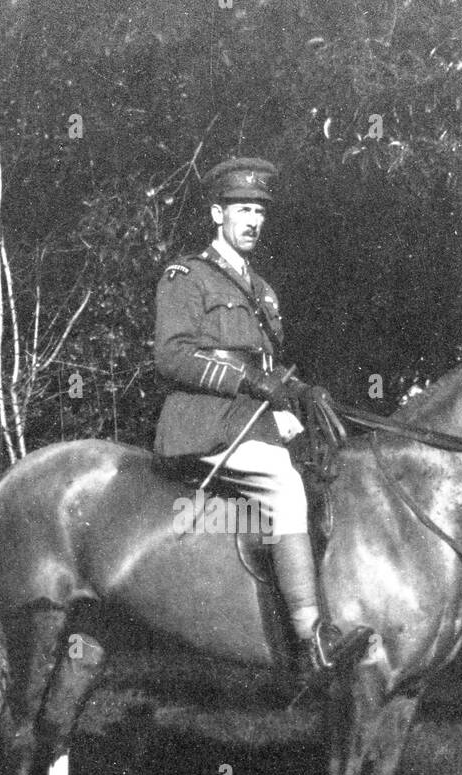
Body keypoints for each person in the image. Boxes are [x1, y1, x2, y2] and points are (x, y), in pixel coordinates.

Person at [152, 157, 368, 672]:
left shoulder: (263, 291)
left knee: (330, 473)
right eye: (242, 209)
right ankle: (311, 637)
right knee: (282, 484)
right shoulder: (188, 276)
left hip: (254, 420)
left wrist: (302, 390)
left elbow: (266, 367)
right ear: (216, 214)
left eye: (259, 212)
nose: (253, 220)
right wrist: (248, 382)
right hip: (203, 423)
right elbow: (172, 356)